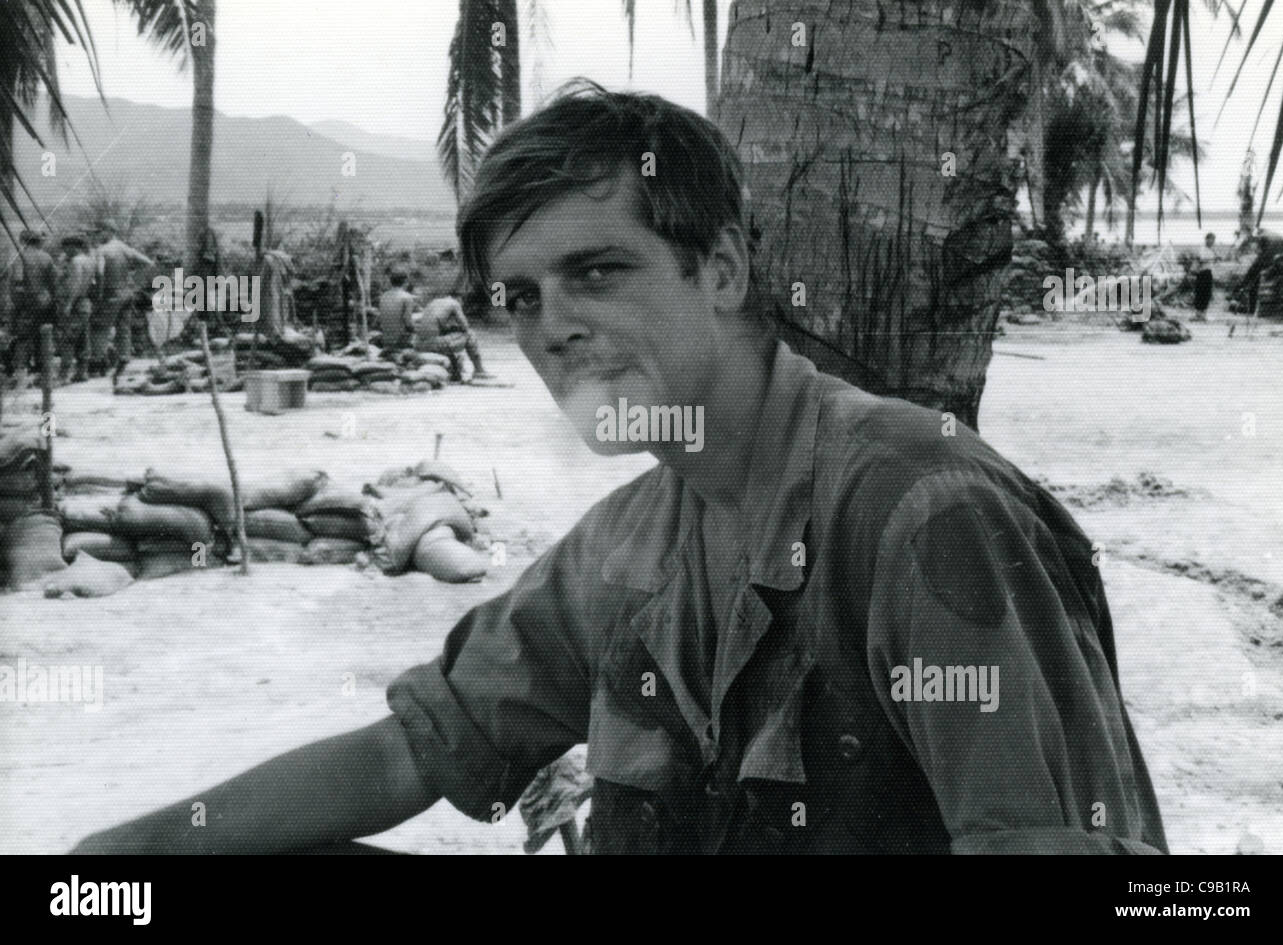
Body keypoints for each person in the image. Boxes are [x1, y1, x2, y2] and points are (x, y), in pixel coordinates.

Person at [71, 81, 1167, 855]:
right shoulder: (631, 544)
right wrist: (136, 848)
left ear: (724, 268)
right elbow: (409, 753)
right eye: (524, 297)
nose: (554, 326)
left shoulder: (920, 509)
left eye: (597, 270)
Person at [93, 221, 153, 372]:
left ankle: (99, 361)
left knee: (101, 327)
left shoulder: (102, 250)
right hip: (127, 292)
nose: (98, 234)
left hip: (110, 292)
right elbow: (147, 262)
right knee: (123, 327)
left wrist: (98, 294)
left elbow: (100, 273)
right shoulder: (124, 247)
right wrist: (133, 276)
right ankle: (124, 358)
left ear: (108, 231)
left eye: (100, 231)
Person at [9, 229, 58, 384]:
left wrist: (17, 305)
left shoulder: (20, 257)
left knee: (23, 338)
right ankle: (42, 371)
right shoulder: (47, 257)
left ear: (23, 240)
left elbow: (18, 283)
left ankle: (21, 373)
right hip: (45, 302)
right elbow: (53, 283)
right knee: (42, 336)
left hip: (27, 303)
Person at [414, 292, 492, 381]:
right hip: (432, 343)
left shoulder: (433, 302)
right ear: (459, 299)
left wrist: (451, 328)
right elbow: (465, 326)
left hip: (419, 343)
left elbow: (434, 327)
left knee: (448, 339)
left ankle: (455, 372)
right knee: (469, 335)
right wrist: (457, 328)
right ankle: (479, 370)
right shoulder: (454, 303)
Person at [58, 234, 99, 382]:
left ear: (73, 247)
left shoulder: (76, 261)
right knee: (83, 338)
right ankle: (82, 372)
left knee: (68, 339)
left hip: (75, 304)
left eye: (66, 247)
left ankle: (63, 375)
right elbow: (97, 280)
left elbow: (75, 284)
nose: (64, 251)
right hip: (86, 303)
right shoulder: (90, 260)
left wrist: (68, 303)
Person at [376, 269, 417, 352]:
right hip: (399, 340)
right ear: (406, 281)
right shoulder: (407, 297)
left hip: (386, 339)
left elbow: (380, 319)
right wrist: (417, 330)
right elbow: (408, 322)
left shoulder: (384, 296)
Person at [1191, 232, 1217, 320]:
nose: (1212, 242)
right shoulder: (1202, 249)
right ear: (1206, 239)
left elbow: (1212, 261)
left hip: (1209, 273)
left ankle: (1203, 315)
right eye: (1211, 239)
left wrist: (1216, 259)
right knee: (1200, 293)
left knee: (1207, 294)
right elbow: (1201, 259)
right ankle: (1198, 314)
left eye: (1213, 240)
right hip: (1202, 273)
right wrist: (1212, 259)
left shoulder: (1211, 250)